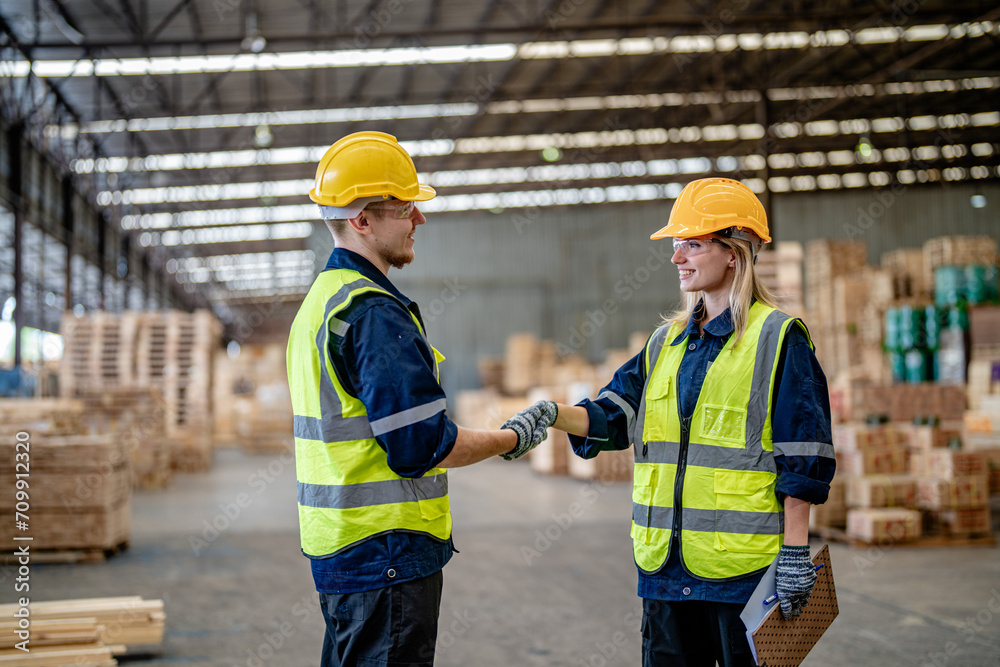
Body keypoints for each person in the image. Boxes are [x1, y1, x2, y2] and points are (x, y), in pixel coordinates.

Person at [509, 177, 836, 666]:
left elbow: (804, 454)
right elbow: (614, 416)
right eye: (676, 244)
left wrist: (795, 551)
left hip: (741, 575)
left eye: (692, 245)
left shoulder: (778, 338)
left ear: (734, 252)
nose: (676, 257)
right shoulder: (665, 343)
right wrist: (554, 414)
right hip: (664, 570)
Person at [286, 131, 553, 666]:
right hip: (385, 552)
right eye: (406, 207)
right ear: (362, 220)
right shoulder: (373, 313)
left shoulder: (321, 303)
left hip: (340, 548)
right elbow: (421, 446)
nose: (420, 219)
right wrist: (513, 437)